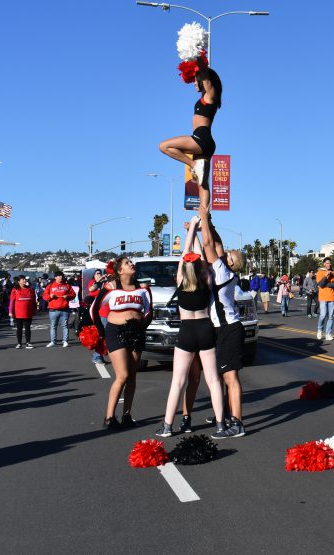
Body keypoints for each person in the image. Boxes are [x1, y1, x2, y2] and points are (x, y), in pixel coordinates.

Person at [156, 217, 230, 439]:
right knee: (213, 379)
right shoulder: (206, 277)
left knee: (178, 380)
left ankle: (168, 426)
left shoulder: (180, 280)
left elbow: (186, 252)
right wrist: (196, 229)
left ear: (183, 267)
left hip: (187, 331)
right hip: (205, 329)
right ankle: (220, 425)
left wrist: (190, 230)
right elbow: (197, 256)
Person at [91, 256, 152, 429]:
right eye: (127, 263)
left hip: (136, 333)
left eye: (131, 262)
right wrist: (101, 332)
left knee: (132, 376)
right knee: (123, 375)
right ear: (119, 270)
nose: (131, 264)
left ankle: (127, 415)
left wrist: (142, 327)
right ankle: (109, 417)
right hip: (115, 332)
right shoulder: (110, 287)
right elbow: (94, 310)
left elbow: (149, 311)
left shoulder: (143, 288)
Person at [158, 31, 221, 187]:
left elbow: (205, 75)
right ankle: (204, 212)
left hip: (201, 138)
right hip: (205, 142)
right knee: (202, 183)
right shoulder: (206, 98)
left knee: (164, 146)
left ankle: (193, 165)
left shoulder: (210, 96)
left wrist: (196, 52)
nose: (194, 83)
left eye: (195, 80)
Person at [43, 271, 76, 347]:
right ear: (55, 277)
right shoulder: (50, 286)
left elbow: (73, 294)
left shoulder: (67, 285)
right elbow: (44, 296)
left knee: (64, 326)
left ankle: (65, 341)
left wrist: (67, 296)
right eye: (59, 276)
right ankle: (53, 341)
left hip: (64, 309)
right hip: (53, 310)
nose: (61, 277)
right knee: (53, 326)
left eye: (62, 276)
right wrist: (50, 296)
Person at [316, 258, 334, 341]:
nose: (329, 264)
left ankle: (328, 334)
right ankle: (319, 330)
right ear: (324, 264)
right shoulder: (320, 273)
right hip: (323, 297)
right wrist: (326, 276)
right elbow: (320, 284)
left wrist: (326, 284)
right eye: (327, 263)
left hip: (332, 297)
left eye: (330, 263)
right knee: (322, 315)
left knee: (331, 317)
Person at [9, 276, 36, 348]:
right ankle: (19, 343)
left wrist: (34, 309)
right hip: (18, 313)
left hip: (28, 312)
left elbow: (34, 301)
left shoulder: (30, 289)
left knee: (28, 328)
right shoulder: (15, 290)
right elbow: (12, 301)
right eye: (23, 279)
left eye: (25, 279)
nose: (24, 280)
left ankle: (28, 342)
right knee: (19, 328)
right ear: (19, 281)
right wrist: (10, 311)